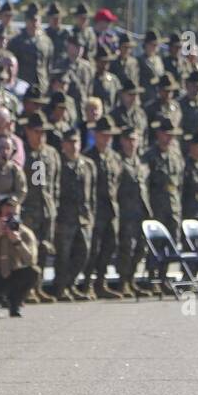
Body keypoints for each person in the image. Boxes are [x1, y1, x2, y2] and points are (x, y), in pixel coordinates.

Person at [52, 127, 95, 300]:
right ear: (63, 144)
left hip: (83, 217)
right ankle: (61, 287)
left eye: (76, 142)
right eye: (70, 142)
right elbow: (51, 189)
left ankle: (71, 284)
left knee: (82, 253)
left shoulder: (88, 165)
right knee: (63, 255)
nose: (73, 146)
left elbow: (92, 194)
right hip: (64, 216)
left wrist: (91, 215)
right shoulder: (58, 163)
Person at [19, 112, 59, 303]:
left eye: (43, 132)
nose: (40, 136)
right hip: (29, 210)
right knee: (29, 251)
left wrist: (54, 206)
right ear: (28, 131)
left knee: (44, 250)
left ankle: (39, 286)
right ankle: (27, 289)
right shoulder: (23, 153)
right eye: (36, 132)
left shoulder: (51, 154)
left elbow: (55, 183)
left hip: (47, 209)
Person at [0, 196, 39, 317]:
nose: (10, 219)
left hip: (12, 273)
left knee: (34, 271)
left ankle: (15, 304)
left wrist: (18, 242)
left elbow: (31, 260)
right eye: (7, 215)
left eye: (13, 215)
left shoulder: (25, 233)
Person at [85, 116, 123, 299]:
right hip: (95, 209)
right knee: (93, 249)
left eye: (109, 135)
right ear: (95, 135)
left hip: (111, 209)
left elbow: (119, 183)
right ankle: (87, 284)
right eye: (103, 135)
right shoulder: (88, 157)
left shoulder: (115, 158)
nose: (106, 138)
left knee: (109, 246)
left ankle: (101, 282)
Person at [115, 125, 151, 298]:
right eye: (128, 140)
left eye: (134, 140)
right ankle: (123, 282)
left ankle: (131, 279)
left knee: (140, 249)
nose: (131, 143)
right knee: (126, 248)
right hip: (125, 211)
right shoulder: (119, 162)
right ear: (122, 141)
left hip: (141, 211)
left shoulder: (142, 162)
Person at [144, 116, 183, 238]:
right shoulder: (149, 156)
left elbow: (180, 182)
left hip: (174, 207)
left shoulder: (176, 156)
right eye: (166, 134)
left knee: (173, 244)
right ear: (159, 134)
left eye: (171, 135)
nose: (169, 138)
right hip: (156, 208)